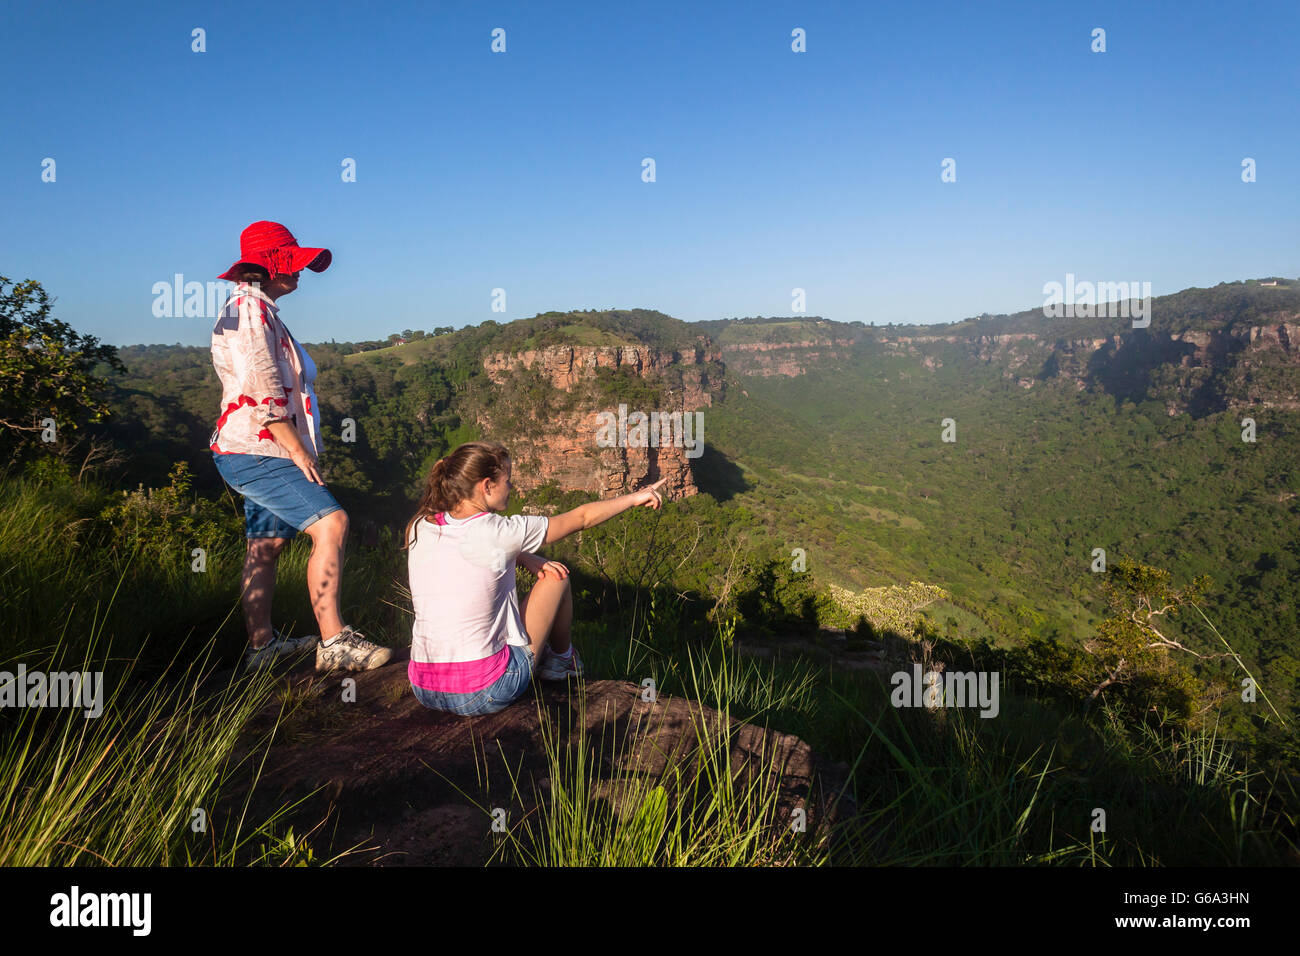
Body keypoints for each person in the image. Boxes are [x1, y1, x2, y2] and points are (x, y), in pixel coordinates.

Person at [209, 220, 391, 674]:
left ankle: (261, 647)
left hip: (247, 448)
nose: (300, 273)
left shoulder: (255, 308)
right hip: (260, 448)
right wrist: (297, 449)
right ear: (267, 267)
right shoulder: (251, 310)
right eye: (292, 263)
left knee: (265, 545)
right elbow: (260, 387)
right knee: (332, 523)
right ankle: (334, 642)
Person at [404, 440, 667, 716]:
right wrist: (636, 497)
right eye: (507, 480)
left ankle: (555, 661)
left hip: (424, 687)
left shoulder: (420, 525)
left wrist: (524, 556)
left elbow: (465, 551)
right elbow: (582, 517)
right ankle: (562, 661)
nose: (512, 487)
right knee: (558, 576)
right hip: (484, 692)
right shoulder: (501, 531)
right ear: (486, 486)